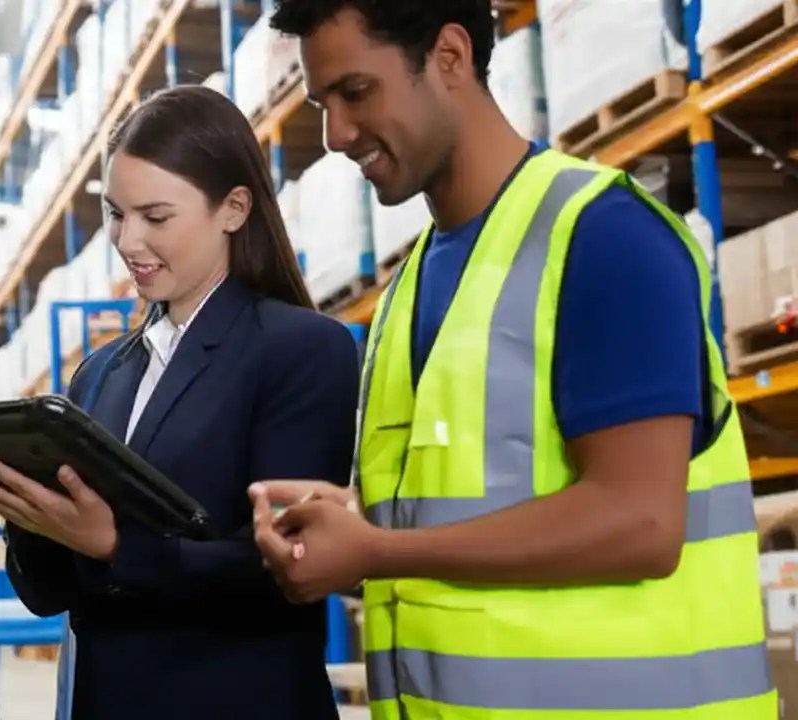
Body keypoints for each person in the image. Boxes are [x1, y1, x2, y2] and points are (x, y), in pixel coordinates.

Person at [249, 1, 776, 718]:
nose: (336, 134)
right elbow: (471, 501)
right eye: (320, 104)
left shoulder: (603, 236)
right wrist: (352, 521)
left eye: (356, 92)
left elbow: (641, 523)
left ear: (450, 57)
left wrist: (379, 552)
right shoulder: (409, 290)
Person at [0, 85, 360, 719]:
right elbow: (48, 593)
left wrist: (114, 545)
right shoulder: (99, 376)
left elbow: (287, 568)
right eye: (117, 214)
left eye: (156, 216)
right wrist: (28, 513)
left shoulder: (302, 351)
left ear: (233, 208)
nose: (128, 240)